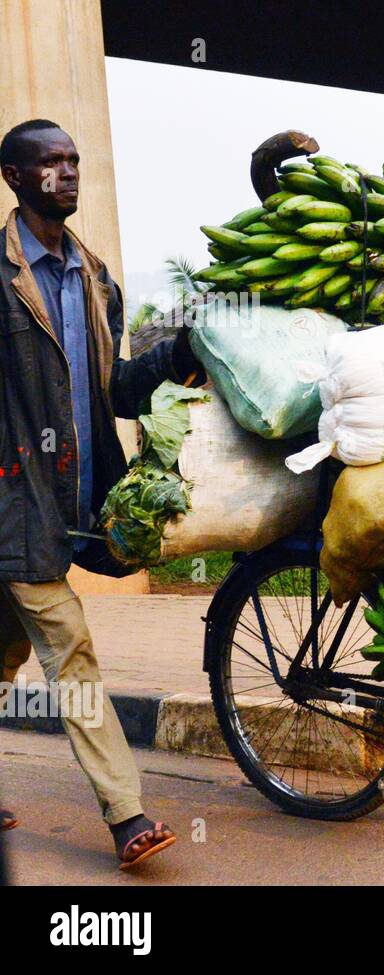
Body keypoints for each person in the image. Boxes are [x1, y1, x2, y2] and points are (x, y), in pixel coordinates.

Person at [0, 119, 205, 868]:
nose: (67, 172)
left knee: (4, 654)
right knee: (70, 652)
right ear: (14, 178)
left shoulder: (95, 275)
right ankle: (127, 813)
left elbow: (114, 390)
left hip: (76, 502)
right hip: (15, 502)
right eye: (49, 162)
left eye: (74, 161)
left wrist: (175, 355)